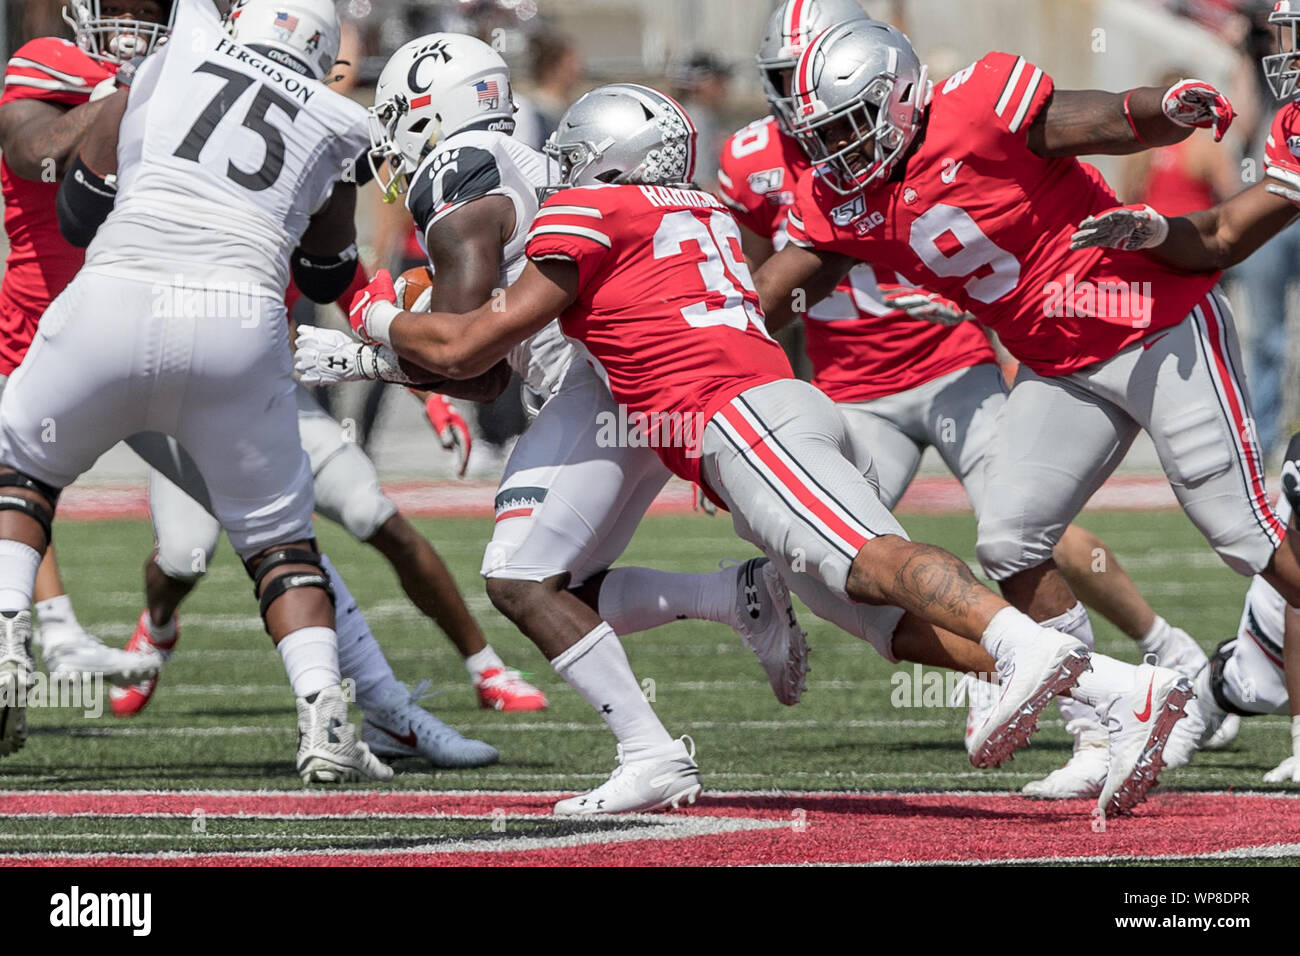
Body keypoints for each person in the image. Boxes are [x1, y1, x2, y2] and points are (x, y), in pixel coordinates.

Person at [338, 82, 1195, 819]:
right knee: (877, 620)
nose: (556, 170)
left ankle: (1023, 644)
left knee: (872, 560)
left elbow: (468, 348)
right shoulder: (700, 207)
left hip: (741, 418)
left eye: (572, 154)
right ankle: (1122, 691)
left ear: (603, 154)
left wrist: (375, 319)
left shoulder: (592, 209)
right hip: (757, 411)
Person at [716, 0, 1213, 799]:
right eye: (779, 81)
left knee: (1026, 524)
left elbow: (1087, 129)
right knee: (824, 544)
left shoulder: (953, 120)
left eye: (804, 75)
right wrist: (717, 374)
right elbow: (759, 284)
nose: (792, 101)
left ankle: (1157, 649)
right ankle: (1058, 675)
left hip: (948, 363)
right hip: (853, 386)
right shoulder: (761, 160)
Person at [297, 33, 812, 722]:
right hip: (619, 387)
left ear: (432, 108)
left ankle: (650, 752)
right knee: (561, 585)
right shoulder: (522, 160)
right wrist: (377, 355)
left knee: (516, 579)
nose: (393, 140)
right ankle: (735, 597)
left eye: (397, 117)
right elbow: (481, 375)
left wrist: (371, 321)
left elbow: (462, 352)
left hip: (591, 388)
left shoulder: (459, 163)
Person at [1066, 0, 1300, 782]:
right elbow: (1232, 231)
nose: (1284, 53)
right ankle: (1234, 689)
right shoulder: (1293, 125)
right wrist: (1161, 234)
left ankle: (1227, 684)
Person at [0, 0, 166, 692]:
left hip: (141, 329)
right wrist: (117, 101)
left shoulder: (185, 75)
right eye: (119, 4)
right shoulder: (54, 62)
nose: (131, 20)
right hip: (44, 323)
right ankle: (46, 631)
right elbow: (33, 153)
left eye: (147, 7)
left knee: (253, 511)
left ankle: (53, 630)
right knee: (20, 478)